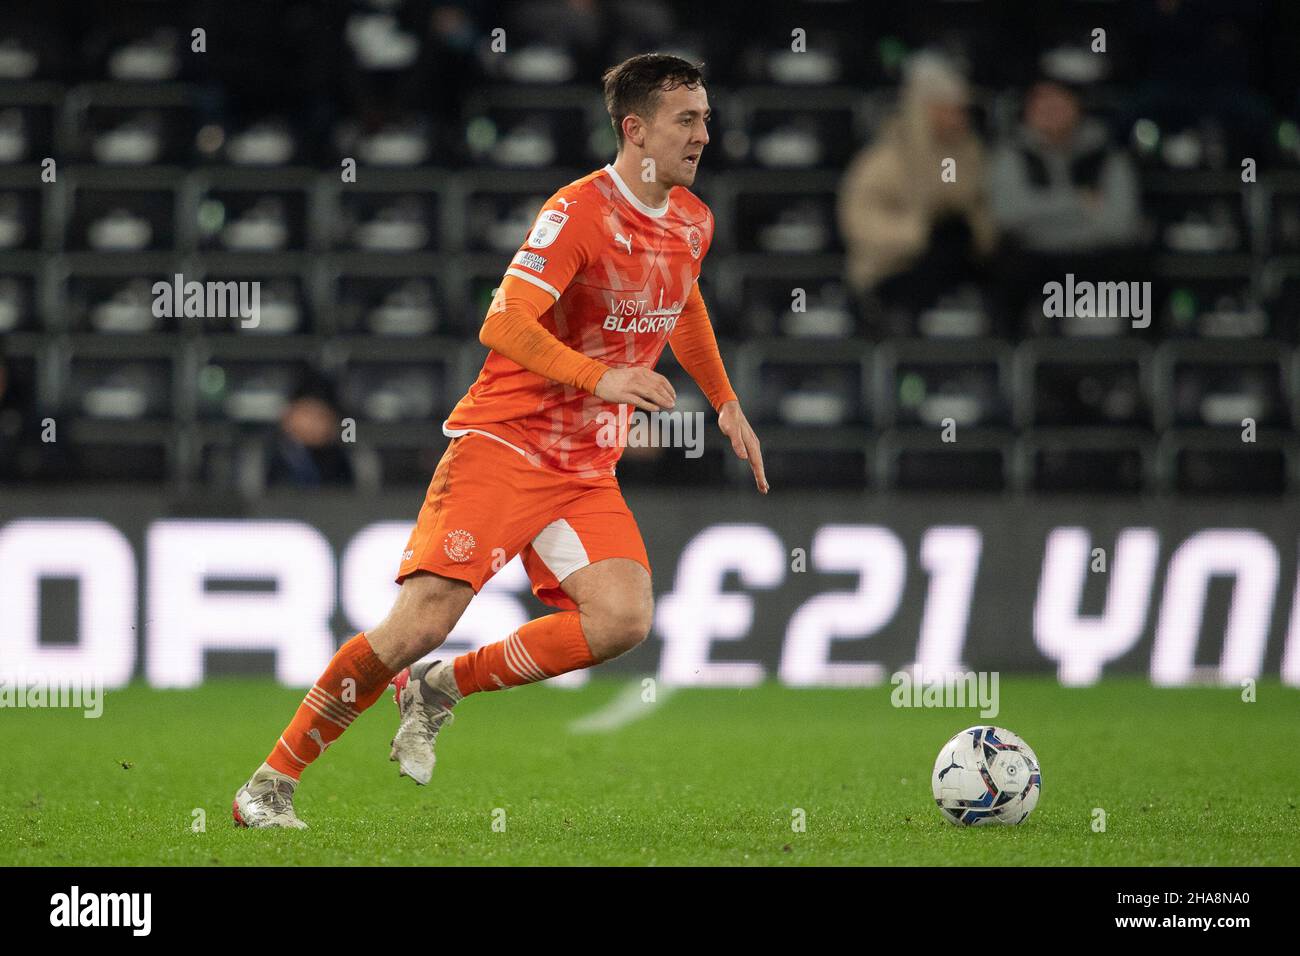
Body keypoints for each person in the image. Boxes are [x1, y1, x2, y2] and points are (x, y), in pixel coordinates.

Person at [232, 53, 768, 828]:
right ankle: (270, 784)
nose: (704, 134)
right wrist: (600, 378)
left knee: (622, 619)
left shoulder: (692, 218)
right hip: (507, 442)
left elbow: (683, 304)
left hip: (584, 466)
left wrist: (724, 401)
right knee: (419, 622)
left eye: (706, 118)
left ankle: (439, 688)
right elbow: (501, 321)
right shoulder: (579, 212)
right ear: (635, 129)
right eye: (687, 119)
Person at [838, 51, 997, 326]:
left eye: (959, 109)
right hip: (893, 270)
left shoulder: (966, 156)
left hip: (960, 264)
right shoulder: (883, 160)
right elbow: (859, 221)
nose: (957, 117)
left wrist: (971, 230)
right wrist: (919, 233)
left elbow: (975, 206)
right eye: (947, 108)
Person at [988, 78, 1143, 325]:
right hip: (1033, 260)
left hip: (1095, 258)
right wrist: (1080, 203)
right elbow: (1007, 215)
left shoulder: (1110, 158)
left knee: (1136, 274)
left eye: (1058, 104)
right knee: (1005, 269)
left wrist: (1042, 217)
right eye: (1041, 105)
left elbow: (1121, 226)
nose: (1050, 112)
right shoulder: (1010, 155)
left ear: (1077, 107)